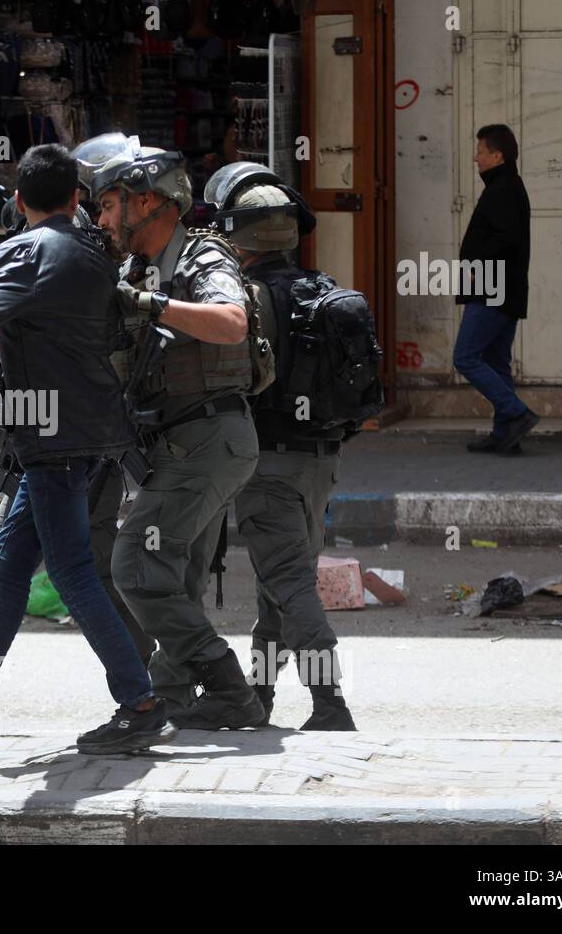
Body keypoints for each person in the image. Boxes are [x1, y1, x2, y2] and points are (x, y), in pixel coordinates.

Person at [0, 143, 178, 755]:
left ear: (19, 200)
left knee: (73, 573)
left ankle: (139, 701)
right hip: (86, 434)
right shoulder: (93, 251)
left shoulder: (25, 251)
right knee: (6, 567)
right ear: (78, 198)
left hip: (50, 440)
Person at [75, 131, 267, 731]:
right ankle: (177, 696)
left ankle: (231, 691)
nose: (101, 217)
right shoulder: (134, 267)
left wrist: (150, 304)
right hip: (175, 444)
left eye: (108, 205)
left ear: (147, 202)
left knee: (134, 564)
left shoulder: (200, 258)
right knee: (175, 574)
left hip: (211, 439)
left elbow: (232, 323)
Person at [206, 161, 357, 731]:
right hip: (320, 463)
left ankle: (330, 703)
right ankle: (261, 696)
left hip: (265, 467)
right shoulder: (319, 292)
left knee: (289, 584)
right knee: (278, 585)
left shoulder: (241, 303)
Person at [454, 123, 535, 455]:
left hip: (492, 287)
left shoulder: (503, 189)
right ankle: (506, 434)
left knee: (466, 357)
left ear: (497, 155)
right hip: (505, 288)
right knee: (497, 361)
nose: (476, 158)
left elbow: (505, 238)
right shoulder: (507, 185)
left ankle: (516, 413)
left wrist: (477, 268)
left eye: (481, 151)